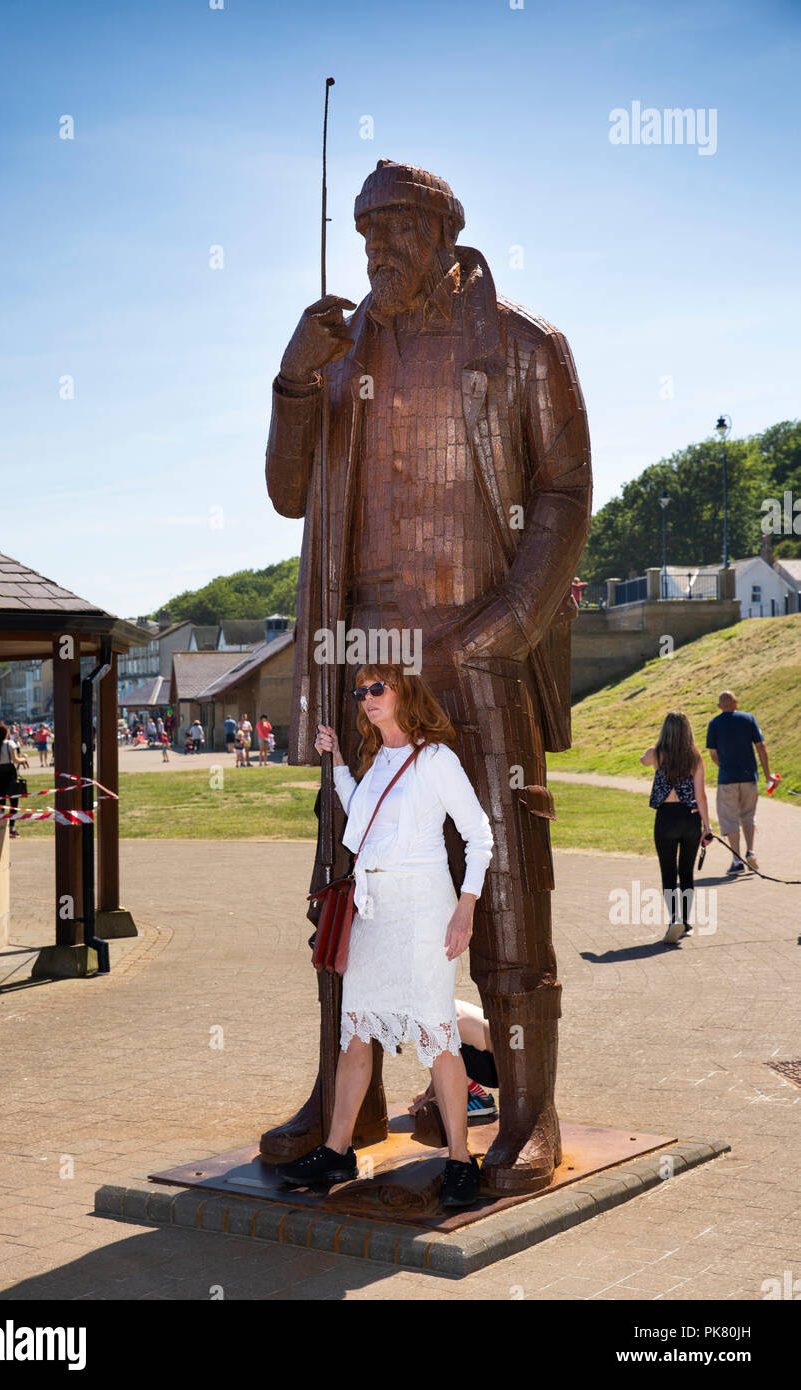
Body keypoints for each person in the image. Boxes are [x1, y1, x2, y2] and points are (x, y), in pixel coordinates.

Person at [263, 159, 591, 1193]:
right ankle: (345, 1096)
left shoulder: (522, 347)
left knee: (499, 887)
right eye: (363, 235)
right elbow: (284, 493)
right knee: (350, 881)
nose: (373, 253)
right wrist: (290, 382)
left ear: (443, 234)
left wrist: (502, 627)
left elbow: (564, 494)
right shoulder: (339, 350)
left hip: (476, 651)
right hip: (366, 657)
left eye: (392, 233)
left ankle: (526, 1111)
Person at [275, 665, 494, 1209]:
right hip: (374, 913)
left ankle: (460, 1161)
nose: (367, 699)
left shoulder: (437, 758)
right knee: (356, 1030)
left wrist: (466, 906)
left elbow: (479, 835)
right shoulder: (377, 762)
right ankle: (336, 1151)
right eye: (361, 692)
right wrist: (343, 765)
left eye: (379, 689)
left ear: (405, 693)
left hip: (424, 909)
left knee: (437, 1033)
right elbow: (363, 820)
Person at [640, 713, 712, 944]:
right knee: (687, 873)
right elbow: (701, 796)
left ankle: (674, 919)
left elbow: (643, 759)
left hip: (666, 818)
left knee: (668, 872)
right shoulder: (696, 758)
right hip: (690, 818)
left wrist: (655, 746)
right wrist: (707, 827)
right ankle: (686, 922)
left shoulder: (657, 754)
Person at [706, 691, 775, 875]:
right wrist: (768, 775)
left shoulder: (714, 724)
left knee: (730, 819)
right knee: (748, 816)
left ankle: (737, 861)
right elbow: (761, 747)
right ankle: (751, 852)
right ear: (736, 703)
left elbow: (712, 753)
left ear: (720, 706)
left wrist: (723, 766)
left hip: (727, 779)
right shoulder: (748, 719)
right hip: (749, 777)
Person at [409, 998, 499, 1123]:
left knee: (442, 1046)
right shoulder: (435, 1004)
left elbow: (441, 1060)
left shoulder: (428, 1018)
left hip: (498, 1070)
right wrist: (429, 1091)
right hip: (502, 1064)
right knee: (445, 1045)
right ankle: (472, 1093)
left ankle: (476, 1098)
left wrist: (428, 1099)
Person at [0, 721, 22, 839]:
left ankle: (1, 827)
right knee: (13, 802)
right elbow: (15, 760)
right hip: (10, 772)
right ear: (6, 733)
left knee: (1, 801)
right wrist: (24, 759)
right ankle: (12, 828)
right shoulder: (9, 743)